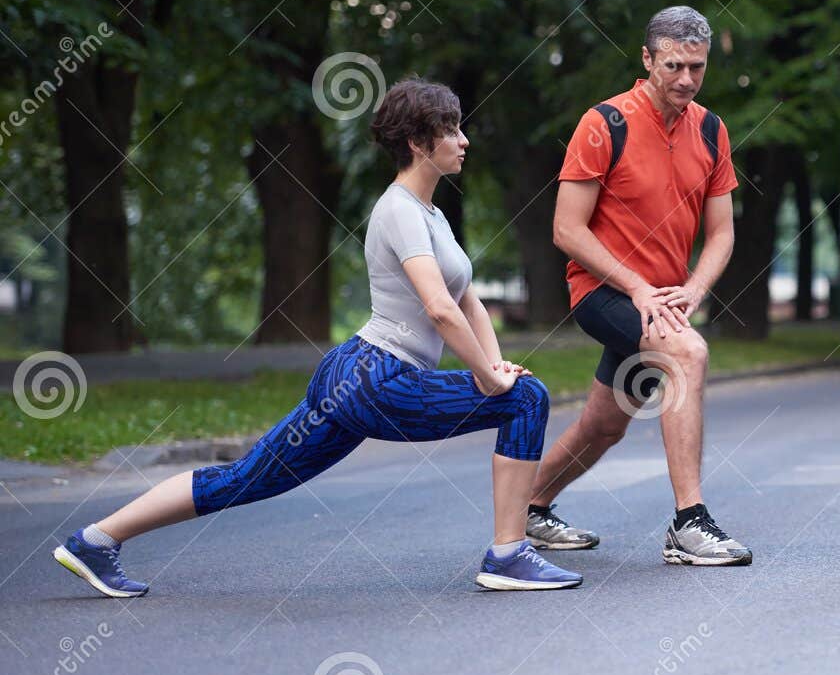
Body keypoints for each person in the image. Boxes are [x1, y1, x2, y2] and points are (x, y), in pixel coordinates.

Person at [52, 79, 581, 596]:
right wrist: (490, 380)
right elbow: (439, 309)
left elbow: (466, 300)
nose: (464, 141)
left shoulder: (432, 214)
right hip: (377, 378)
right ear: (420, 143)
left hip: (355, 378)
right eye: (452, 130)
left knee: (245, 479)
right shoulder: (397, 210)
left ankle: (95, 540)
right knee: (526, 401)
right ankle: (509, 554)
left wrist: (496, 365)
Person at [519, 5, 752, 566]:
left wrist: (694, 288)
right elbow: (566, 229)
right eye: (673, 65)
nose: (686, 80)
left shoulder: (711, 129)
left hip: (663, 302)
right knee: (687, 353)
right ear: (646, 59)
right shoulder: (605, 124)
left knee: (604, 426)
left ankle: (526, 508)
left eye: (697, 67)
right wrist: (640, 288)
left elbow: (722, 233)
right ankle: (688, 524)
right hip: (603, 293)